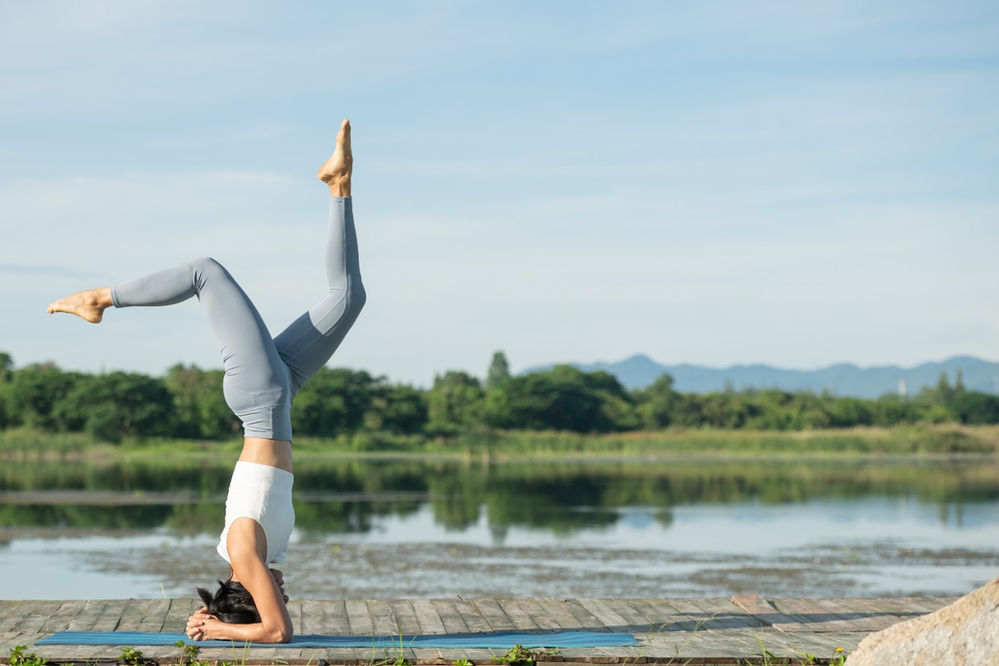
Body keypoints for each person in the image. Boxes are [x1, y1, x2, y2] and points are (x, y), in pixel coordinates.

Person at [47, 119, 364, 643]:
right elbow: (271, 614)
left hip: (262, 397)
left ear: (248, 596)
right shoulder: (265, 553)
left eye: (275, 594)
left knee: (204, 271)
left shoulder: (243, 550)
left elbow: (278, 633)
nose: (284, 591)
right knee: (349, 299)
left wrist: (217, 629)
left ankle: (98, 299)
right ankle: (339, 185)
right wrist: (214, 617)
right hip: (280, 396)